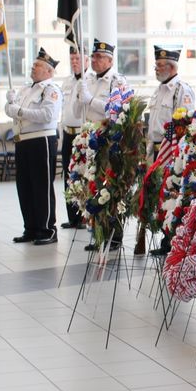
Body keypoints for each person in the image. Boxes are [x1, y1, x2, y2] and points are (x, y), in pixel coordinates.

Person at [5, 48, 63, 245]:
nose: (33, 67)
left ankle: (47, 229)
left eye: (37, 65)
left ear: (48, 71)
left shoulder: (51, 90)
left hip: (41, 140)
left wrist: (19, 110)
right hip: (23, 140)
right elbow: (10, 111)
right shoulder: (26, 89)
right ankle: (30, 227)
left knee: (41, 186)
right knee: (25, 186)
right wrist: (10, 103)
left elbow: (47, 115)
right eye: (34, 64)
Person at [141, 45, 195, 256]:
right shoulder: (158, 90)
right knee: (159, 196)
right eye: (156, 65)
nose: (156, 68)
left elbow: (186, 124)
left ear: (171, 66)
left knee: (171, 194)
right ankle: (164, 236)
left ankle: (171, 241)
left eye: (160, 65)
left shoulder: (181, 90)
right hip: (155, 150)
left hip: (172, 152)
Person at [78, 39, 128, 251]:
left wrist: (90, 101)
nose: (94, 60)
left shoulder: (117, 81)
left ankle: (114, 234)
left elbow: (117, 109)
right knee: (92, 186)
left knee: (109, 187)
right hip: (89, 138)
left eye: (99, 57)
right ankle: (97, 233)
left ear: (109, 59)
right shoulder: (88, 79)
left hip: (108, 140)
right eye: (93, 56)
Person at [60, 46, 87, 230]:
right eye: (72, 58)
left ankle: (84, 215)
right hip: (67, 133)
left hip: (82, 133)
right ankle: (72, 217)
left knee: (83, 175)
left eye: (78, 58)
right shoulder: (67, 82)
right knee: (69, 175)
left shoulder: (88, 81)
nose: (74, 61)